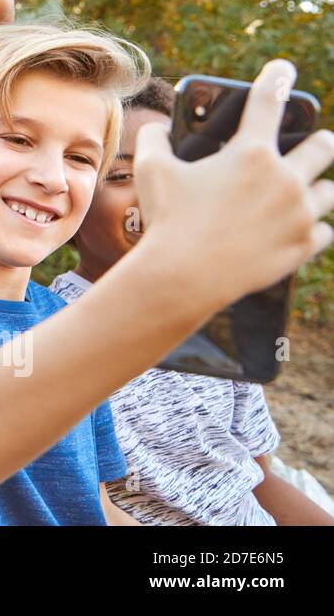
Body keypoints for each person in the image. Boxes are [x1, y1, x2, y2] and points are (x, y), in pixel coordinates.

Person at [0, 23, 334, 524]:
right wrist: (168, 282)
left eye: (79, 157)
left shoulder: (60, 315)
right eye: (18, 138)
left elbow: (101, 511)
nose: (51, 177)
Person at [50, 77, 334, 525]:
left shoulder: (220, 310)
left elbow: (254, 477)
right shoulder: (50, 334)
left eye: (179, 172)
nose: (155, 195)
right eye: (123, 175)